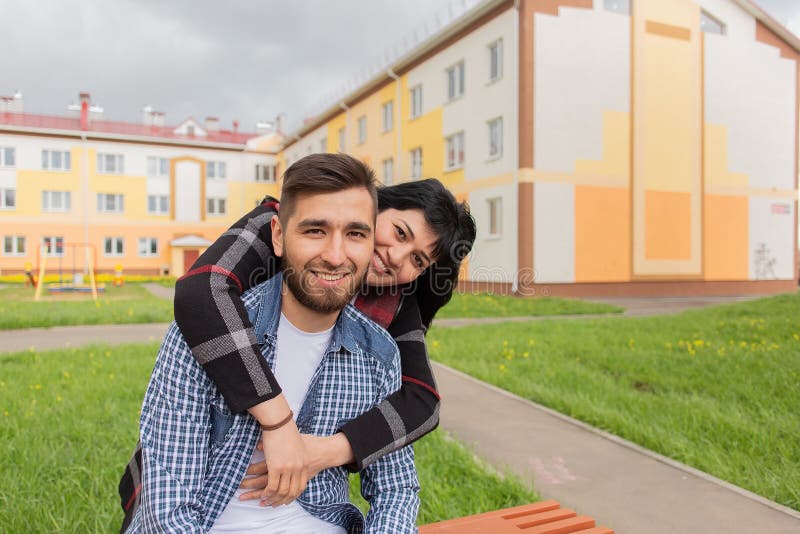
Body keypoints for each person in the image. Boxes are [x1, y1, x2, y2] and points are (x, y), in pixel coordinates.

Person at [123, 154, 419, 533]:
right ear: (278, 236)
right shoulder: (206, 334)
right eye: (315, 231)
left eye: (355, 234)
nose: (334, 255)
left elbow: (396, 489)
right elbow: (166, 508)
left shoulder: (377, 354)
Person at [169, 168, 475, 506]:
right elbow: (202, 291)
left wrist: (326, 451)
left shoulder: (394, 303)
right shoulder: (291, 227)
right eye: (399, 233)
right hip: (200, 472)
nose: (395, 257)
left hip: (302, 505)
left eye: (417, 259)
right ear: (377, 207)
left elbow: (423, 401)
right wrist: (278, 422)